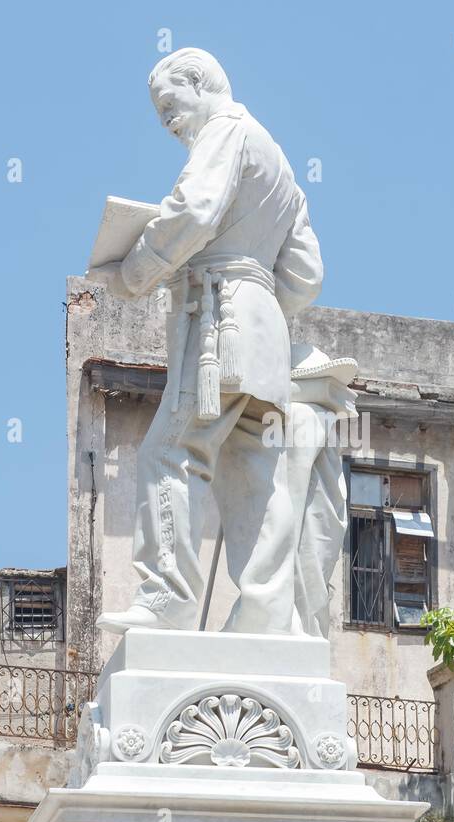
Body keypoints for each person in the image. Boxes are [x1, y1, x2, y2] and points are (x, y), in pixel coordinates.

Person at [89, 48, 322, 635]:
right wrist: (259, 294)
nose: (167, 120)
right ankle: (272, 615)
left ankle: (168, 594)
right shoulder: (279, 160)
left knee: (168, 453)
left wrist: (135, 270)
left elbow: (194, 207)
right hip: (262, 330)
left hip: (217, 323)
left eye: (170, 104)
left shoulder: (225, 131)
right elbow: (306, 274)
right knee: (254, 476)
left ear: (200, 83)